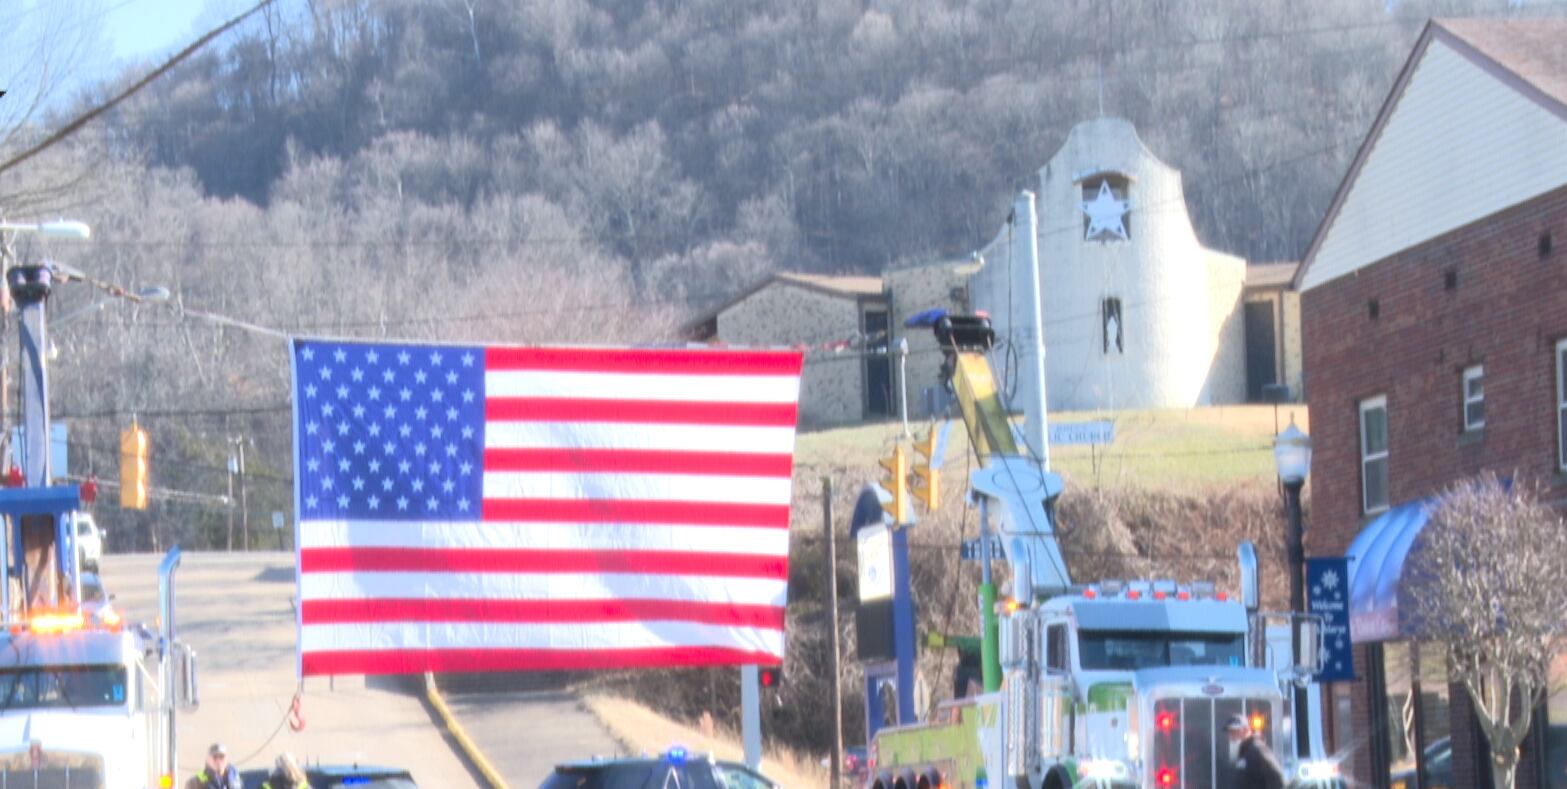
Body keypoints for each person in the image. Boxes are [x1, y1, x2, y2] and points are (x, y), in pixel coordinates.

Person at [1226, 715, 1286, 789]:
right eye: (1230, 732)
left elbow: (1277, 777)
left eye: (1235, 731)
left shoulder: (1257, 749)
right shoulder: (1244, 752)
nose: (1231, 735)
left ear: (1246, 730)